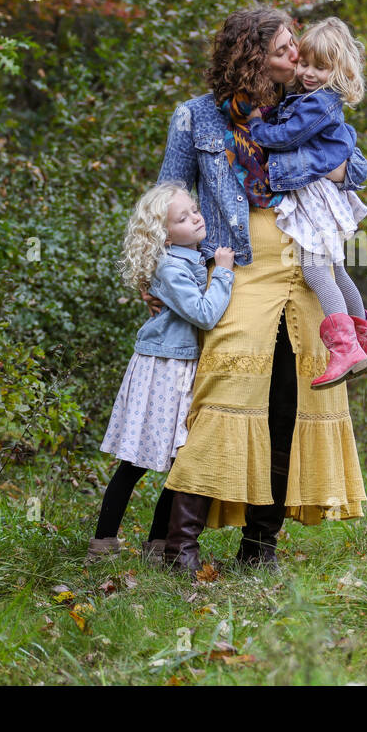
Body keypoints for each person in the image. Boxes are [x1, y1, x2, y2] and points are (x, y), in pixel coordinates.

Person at [147, 6, 367, 573]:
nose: (297, 55)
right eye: (284, 47)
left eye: (297, 45)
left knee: (291, 399)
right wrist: (158, 271)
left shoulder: (306, 102)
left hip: (307, 257)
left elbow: (357, 166)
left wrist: (335, 165)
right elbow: (168, 198)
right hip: (241, 263)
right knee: (226, 386)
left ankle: (259, 547)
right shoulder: (197, 118)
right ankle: (179, 545)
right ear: (252, 53)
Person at [86, 182, 235, 564]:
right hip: (164, 370)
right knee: (135, 462)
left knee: (181, 460)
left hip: (183, 367)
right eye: (182, 218)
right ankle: (102, 544)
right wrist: (223, 274)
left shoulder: (188, 256)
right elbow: (203, 313)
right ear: (165, 235)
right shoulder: (171, 267)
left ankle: (157, 546)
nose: (196, 217)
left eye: (194, 210)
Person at [245, 16, 367, 389]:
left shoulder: (320, 104)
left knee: (314, 271)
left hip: (315, 199)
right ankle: (366, 344)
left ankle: (345, 350)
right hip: (320, 195)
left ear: (338, 70)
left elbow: (288, 137)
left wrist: (258, 126)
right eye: (304, 63)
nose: (307, 72)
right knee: (338, 271)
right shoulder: (311, 97)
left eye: (320, 67)